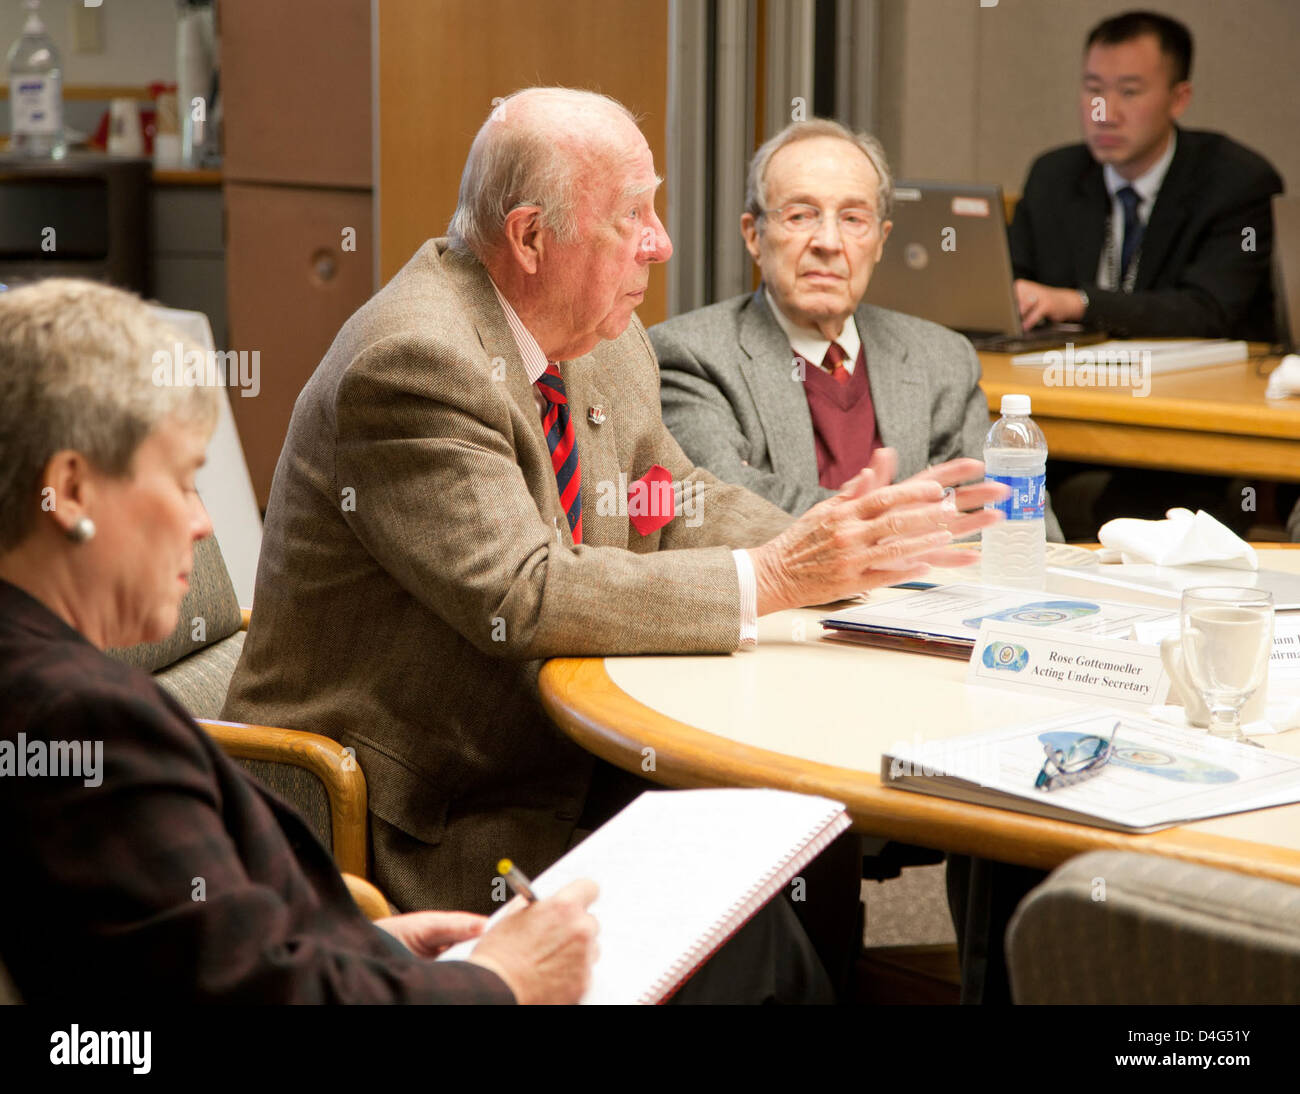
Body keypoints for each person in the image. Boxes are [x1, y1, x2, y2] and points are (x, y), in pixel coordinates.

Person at [220, 86, 1006, 953]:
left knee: (793, 850)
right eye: (632, 214)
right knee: (754, 919)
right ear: (529, 237)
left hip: (559, 746)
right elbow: (522, 593)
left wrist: (844, 537)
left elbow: (667, 502)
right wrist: (780, 576)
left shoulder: (598, 336)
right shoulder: (413, 363)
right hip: (421, 809)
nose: (661, 242)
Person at [0, 278, 601, 1004]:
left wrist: (365, 945)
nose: (203, 522)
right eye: (185, 481)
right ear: (69, 492)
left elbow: (187, 950)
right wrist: (503, 981)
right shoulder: (77, 722)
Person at [650, 119, 994, 520]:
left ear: (881, 241)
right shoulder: (691, 356)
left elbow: (991, 511)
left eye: (853, 219)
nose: (828, 243)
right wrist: (902, 516)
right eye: (800, 216)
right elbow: (722, 506)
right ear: (753, 236)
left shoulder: (944, 359)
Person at [1009, 10, 1282, 342]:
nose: (1105, 114)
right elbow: (1009, 281)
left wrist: (1079, 304)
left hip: (1199, 381)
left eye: (1129, 92)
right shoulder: (1053, 177)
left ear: (1178, 99)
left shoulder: (1236, 182)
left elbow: (1211, 310)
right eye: (1094, 89)